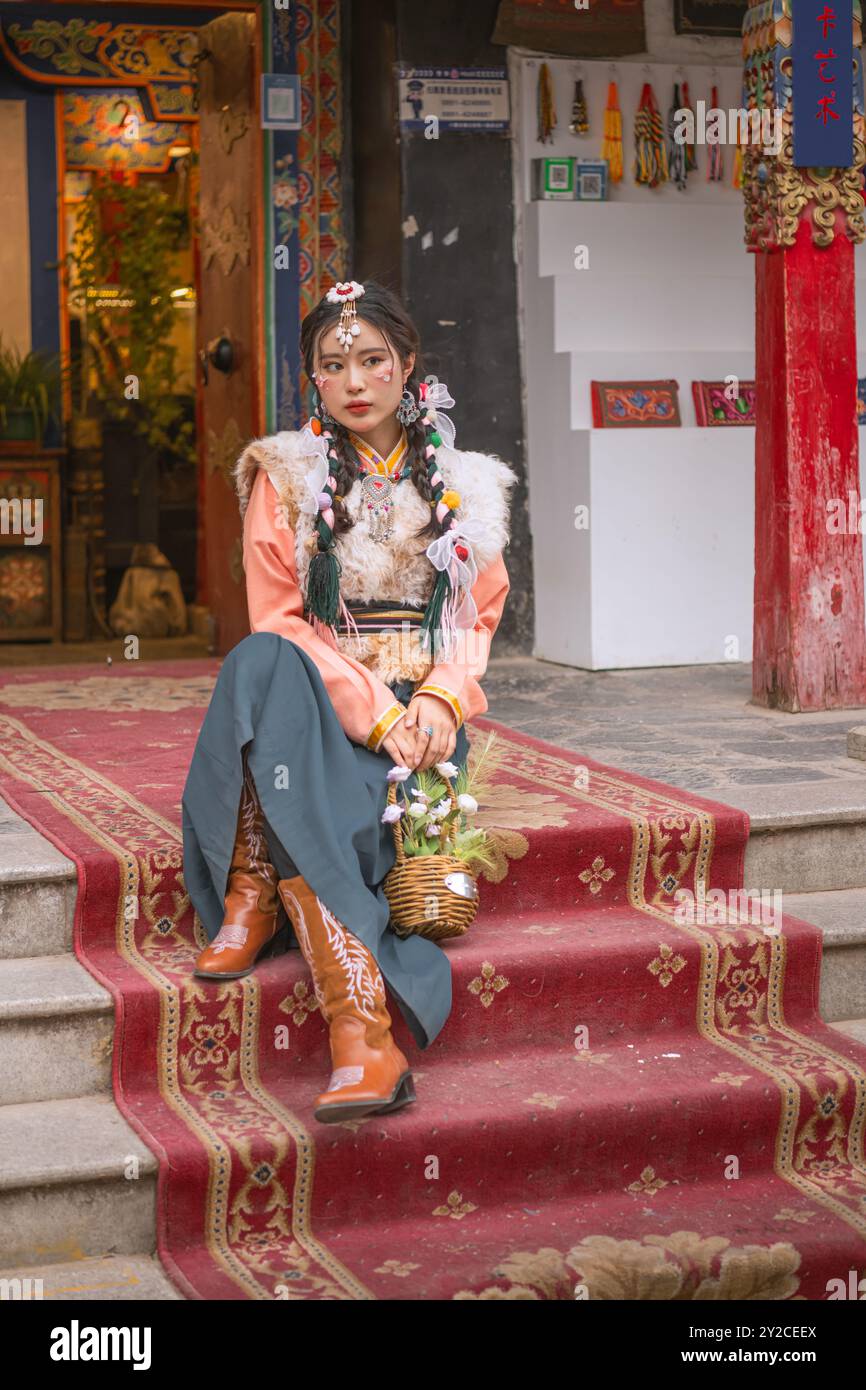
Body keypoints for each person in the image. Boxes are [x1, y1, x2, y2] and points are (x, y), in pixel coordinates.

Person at [181, 280, 516, 1125]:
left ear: (408, 368)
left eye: (373, 361)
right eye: (336, 366)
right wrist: (376, 711)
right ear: (315, 382)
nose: (357, 380)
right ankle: (361, 1036)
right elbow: (279, 618)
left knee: (292, 763)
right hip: (328, 698)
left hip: (426, 717)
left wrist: (439, 700)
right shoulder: (285, 475)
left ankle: (254, 889)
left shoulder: (469, 484)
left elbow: (478, 615)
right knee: (259, 660)